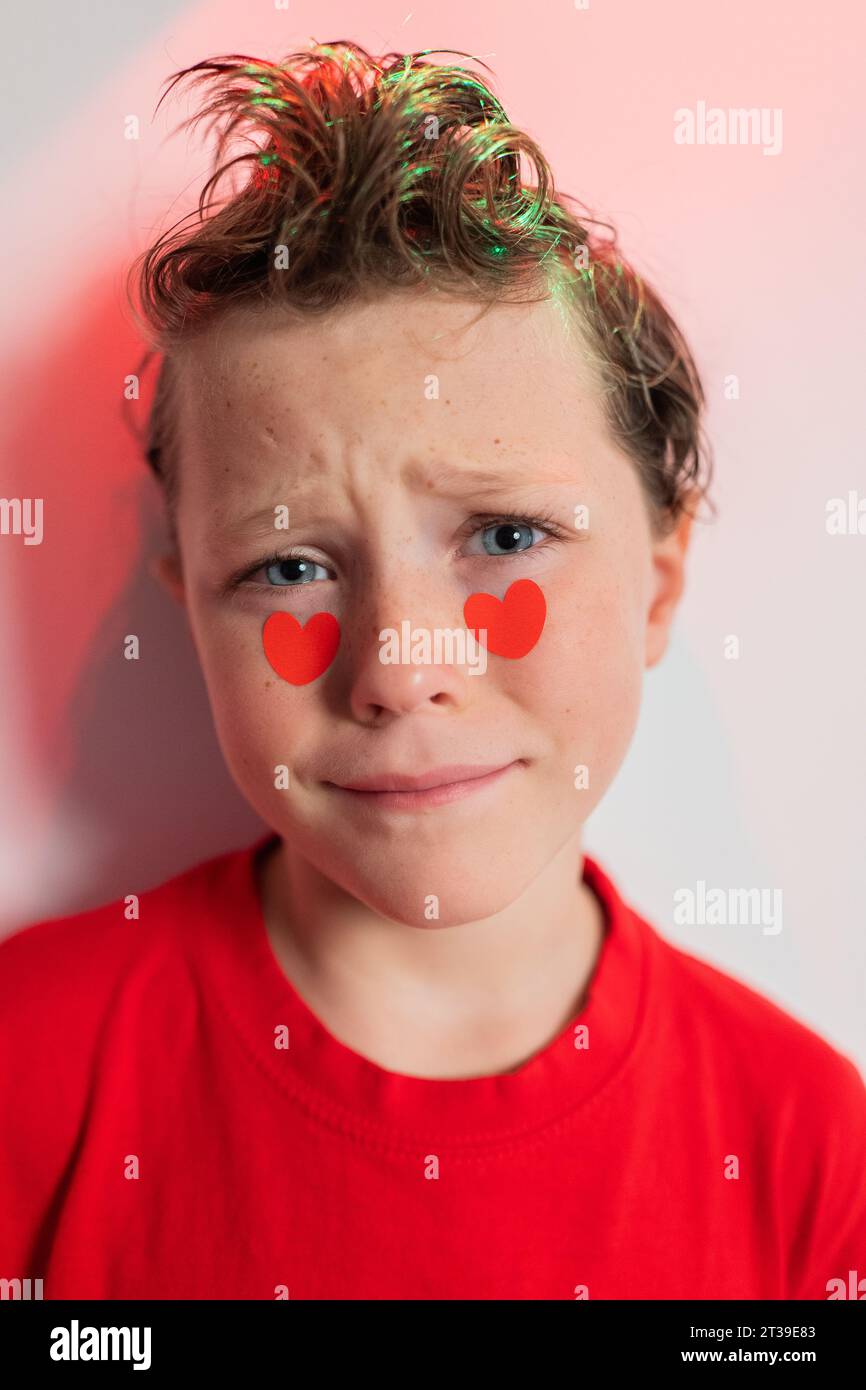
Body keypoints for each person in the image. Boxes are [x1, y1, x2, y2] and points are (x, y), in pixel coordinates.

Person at [1, 42, 864, 1301]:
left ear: (658, 580)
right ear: (188, 602)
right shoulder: (24, 1070)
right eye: (288, 566)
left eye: (505, 537)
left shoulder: (807, 1156)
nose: (399, 673)